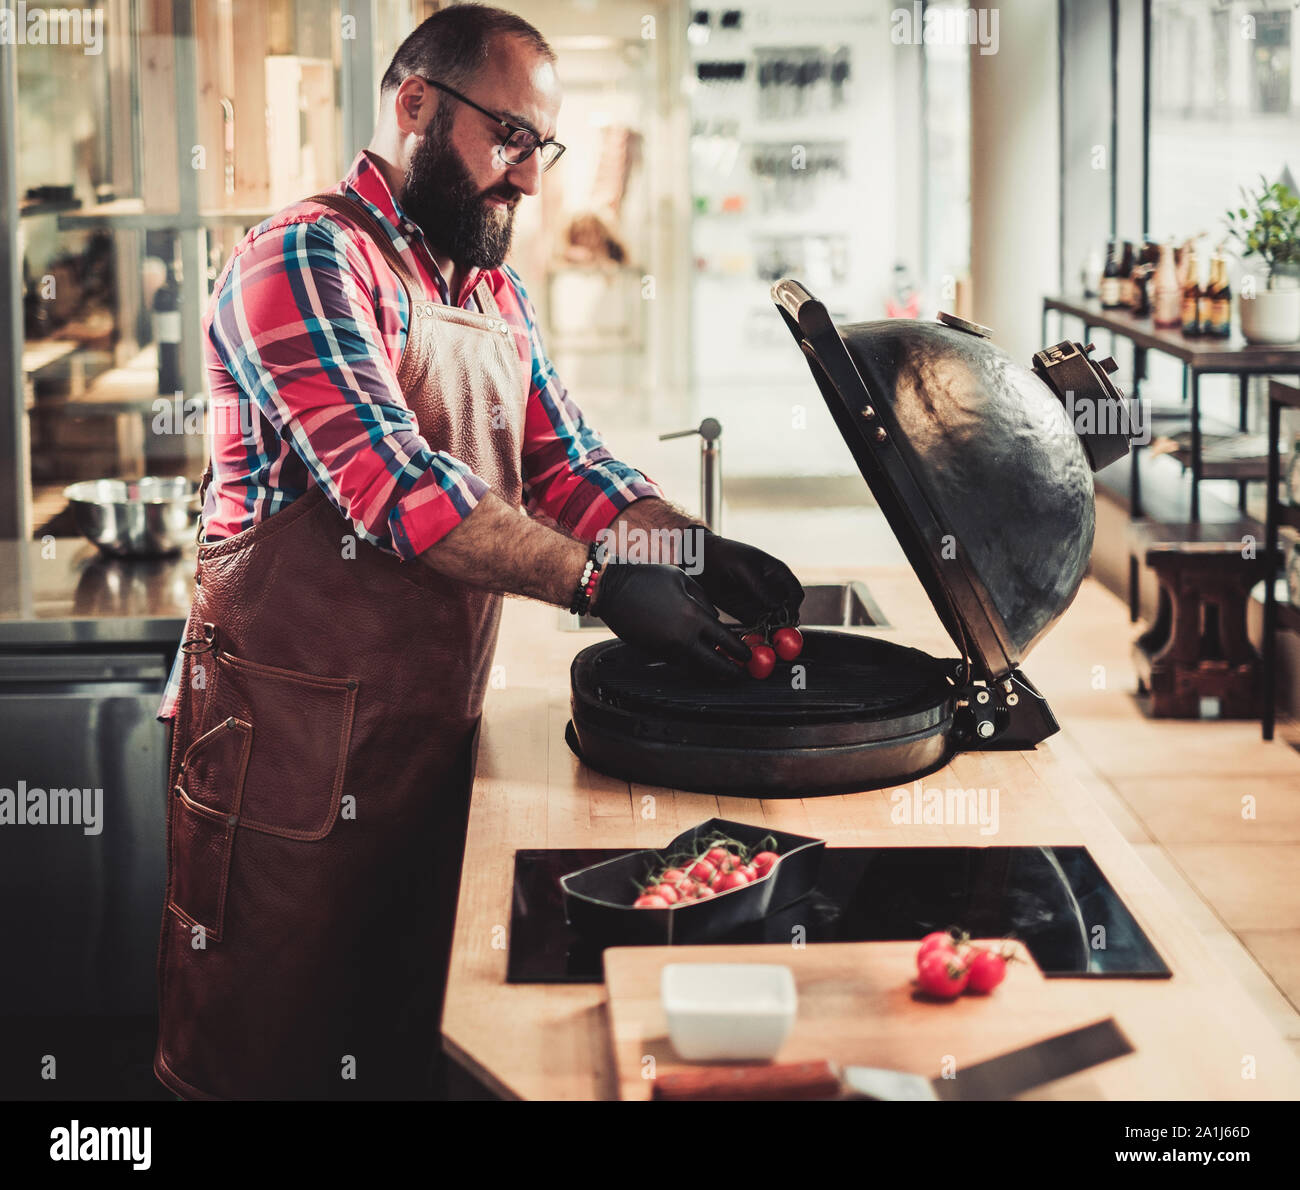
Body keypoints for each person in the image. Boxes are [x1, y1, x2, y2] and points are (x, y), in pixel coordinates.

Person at [154, 4, 802, 1100]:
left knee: (403, 1039)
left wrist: (693, 551)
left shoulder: (491, 289)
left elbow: (568, 467)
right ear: (415, 106)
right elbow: (392, 485)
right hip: (282, 759)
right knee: (264, 1054)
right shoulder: (307, 256)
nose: (531, 182)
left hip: (422, 741)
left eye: (539, 148)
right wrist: (597, 584)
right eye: (510, 139)